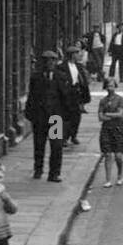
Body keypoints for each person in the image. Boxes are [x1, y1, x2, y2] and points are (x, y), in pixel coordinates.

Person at [25, 50, 75, 181]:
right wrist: (30, 114)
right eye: (47, 60)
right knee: (39, 145)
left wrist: (67, 116)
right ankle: (38, 170)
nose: (50, 63)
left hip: (55, 118)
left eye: (52, 60)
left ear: (56, 61)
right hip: (40, 117)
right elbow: (31, 96)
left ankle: (54, 174)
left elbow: (67, 97)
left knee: (56, 146)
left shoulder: (61, 76)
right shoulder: (36, 77)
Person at [98, 78, 123, 187]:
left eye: (112, 85)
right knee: (107, 154)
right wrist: (111, 115)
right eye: (108, 86)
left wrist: (108, 114)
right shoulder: (103, 101)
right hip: (106, 129)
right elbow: (100, 117)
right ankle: (108, 180)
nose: (110, 88)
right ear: (105, 87)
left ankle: (120, 174)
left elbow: (120, 114)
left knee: (118, 156)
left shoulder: (119, 99)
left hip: (117, 129)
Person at [60, 47, 92, 145]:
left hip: (77, 93)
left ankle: (74, 135)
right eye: (77, 53)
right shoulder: (62, 66)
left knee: (77, 116)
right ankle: (64, 138)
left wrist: (85, 95)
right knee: (66, 117)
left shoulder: (79, 66)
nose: (79, 55)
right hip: (66, 93)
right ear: (72, 55)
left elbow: (83, 80)